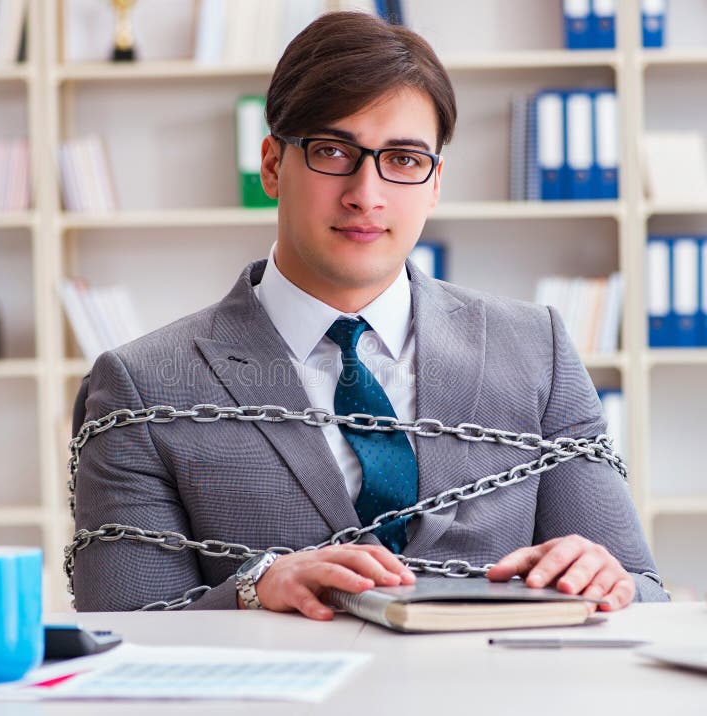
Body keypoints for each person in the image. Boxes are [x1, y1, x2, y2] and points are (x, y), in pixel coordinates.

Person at [70, 11, 667, 617]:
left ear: (435, 184)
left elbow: (644, 592)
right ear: (272, 165)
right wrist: (252, 592)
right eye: (333, 151)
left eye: (404, 160)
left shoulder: (537, 350)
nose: (366, 194)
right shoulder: (142, 386)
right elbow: (123, 636)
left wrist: (604, 580)